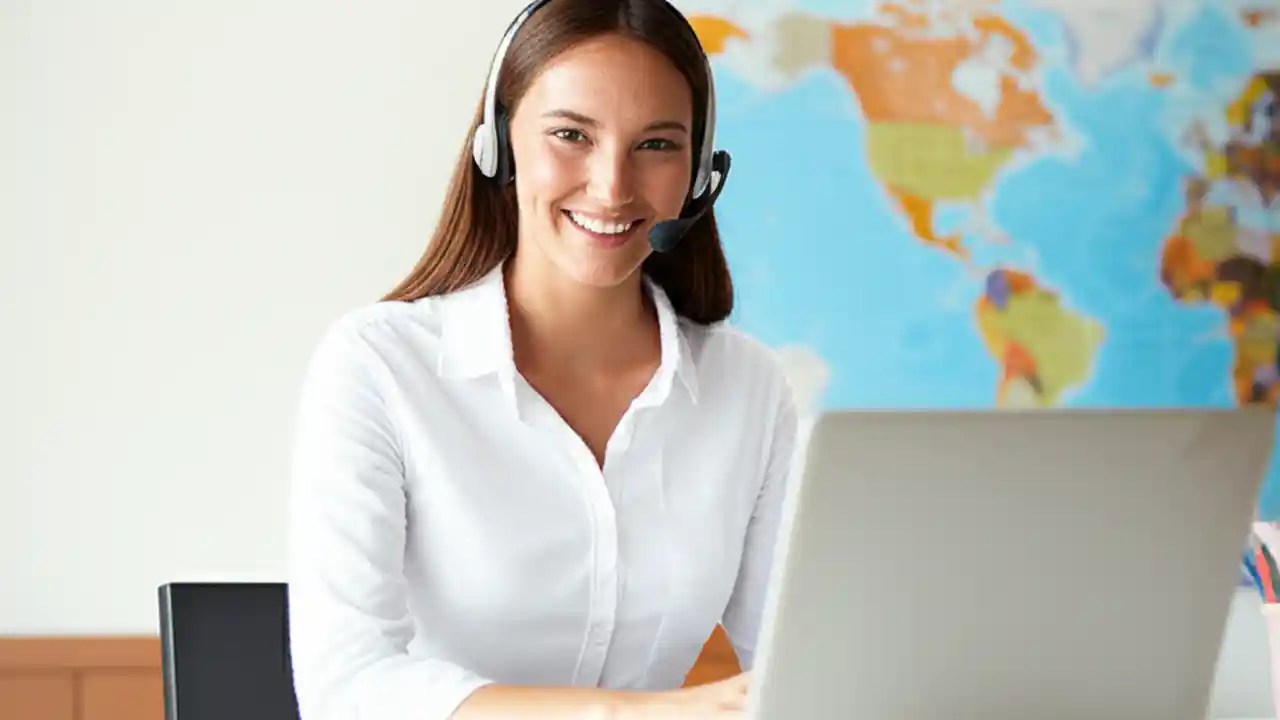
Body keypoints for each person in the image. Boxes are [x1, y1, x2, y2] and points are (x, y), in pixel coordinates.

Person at [285, 1, 799, 718]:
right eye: (570, 135)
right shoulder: (378, 365)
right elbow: (347, 688)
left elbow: (801, 661)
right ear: (498, 144)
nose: (612, 185)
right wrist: (635, 714)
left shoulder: (747, 388)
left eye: (656, 145)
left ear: (700, 173)